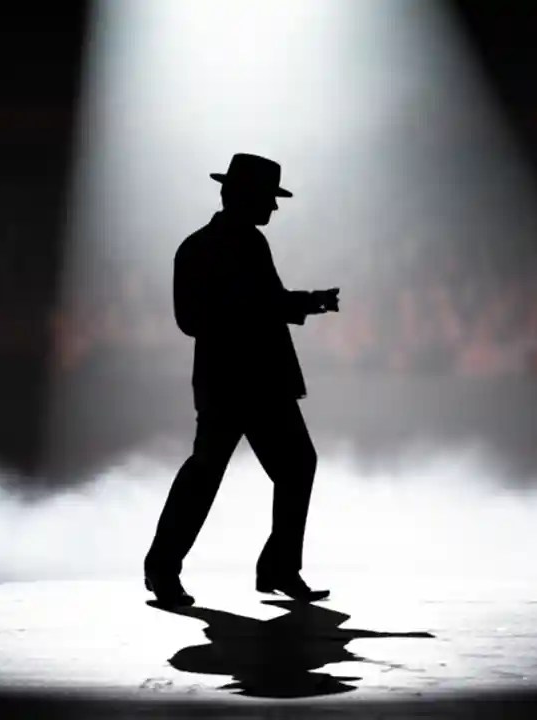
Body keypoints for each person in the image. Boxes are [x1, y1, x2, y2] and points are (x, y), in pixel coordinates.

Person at [144, 153, 340, 607]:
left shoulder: (226, 244)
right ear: (244, 196)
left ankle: (273, 567)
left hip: (254, 382)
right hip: (234, 384)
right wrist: (294, 304)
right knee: (212, 473)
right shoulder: (205, 248)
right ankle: (169, 568)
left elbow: (259, 303)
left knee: (283, 466)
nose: (273, 207)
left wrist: (302, 302)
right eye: (268, 198)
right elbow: (193, 319)